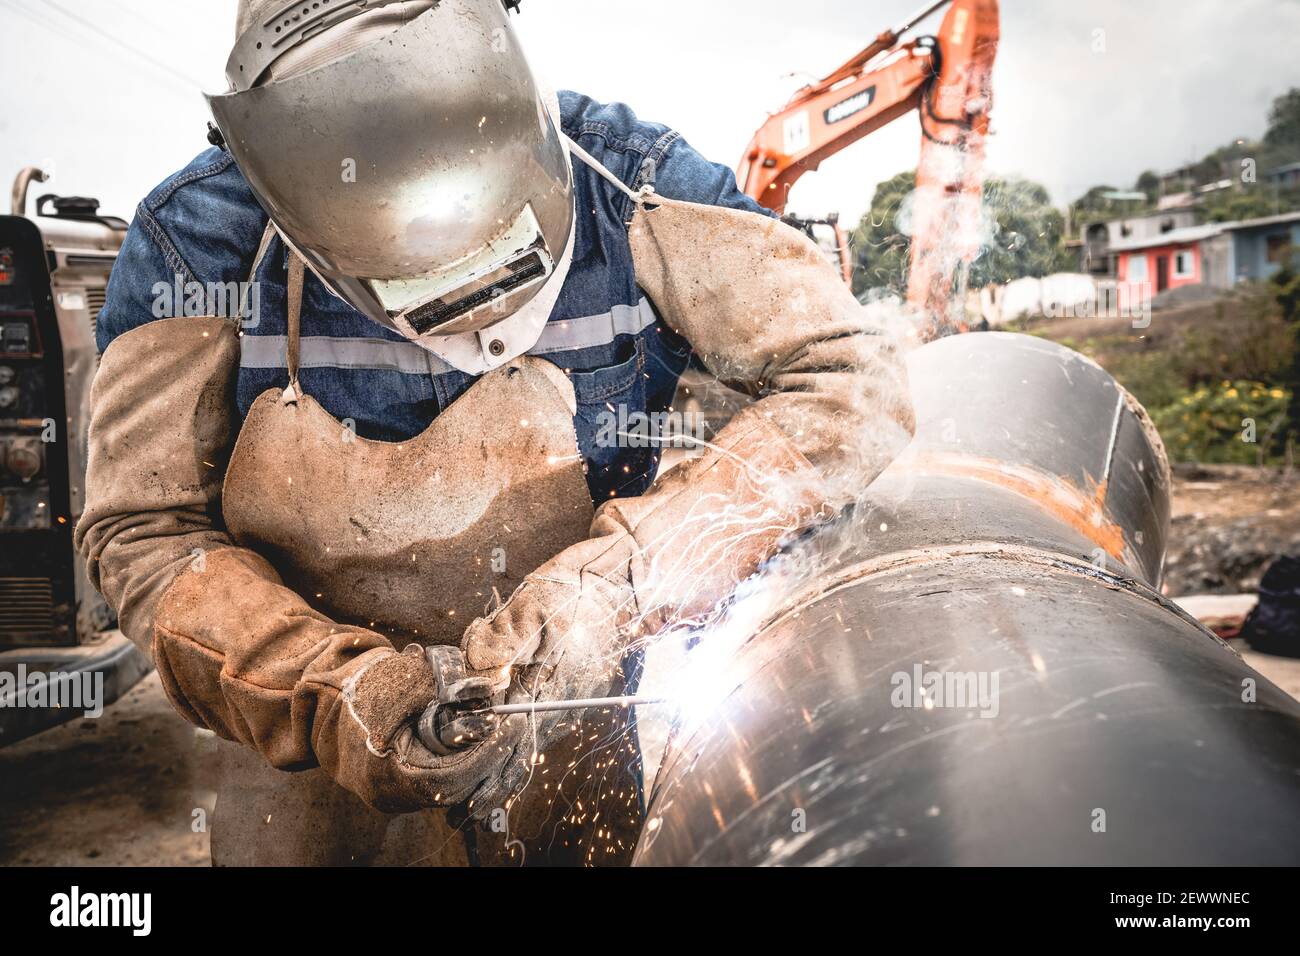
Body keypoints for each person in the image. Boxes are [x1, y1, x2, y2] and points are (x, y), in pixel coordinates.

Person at [75, 0, 914, 865]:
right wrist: (331, 693)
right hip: (317, 788)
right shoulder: (201, 241)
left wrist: (614, 591)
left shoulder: (633, 183)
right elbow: (143, 530)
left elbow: (852, 381)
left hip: (571, 748)